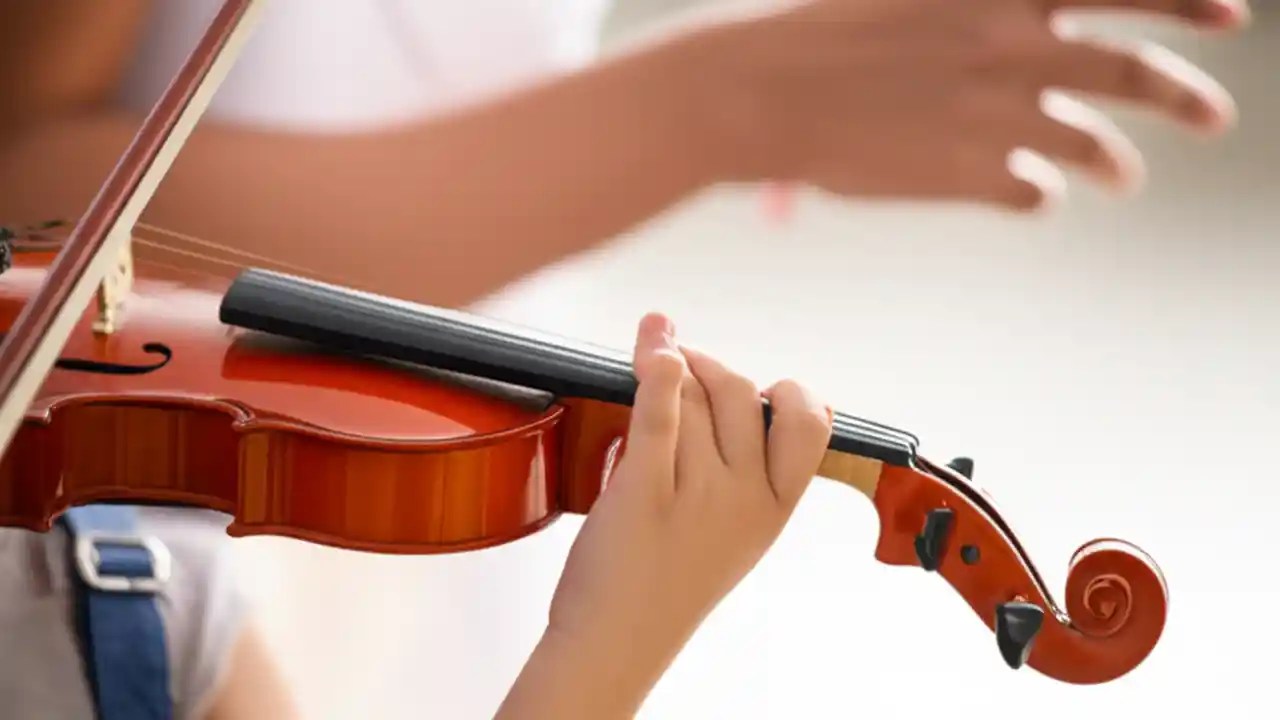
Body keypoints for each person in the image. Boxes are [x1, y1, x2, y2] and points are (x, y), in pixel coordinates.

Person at [0, 1, 1250, 718]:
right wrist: (729, 104)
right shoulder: (130, 616)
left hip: (359, 512)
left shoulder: (159, 626)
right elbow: (35, 197)